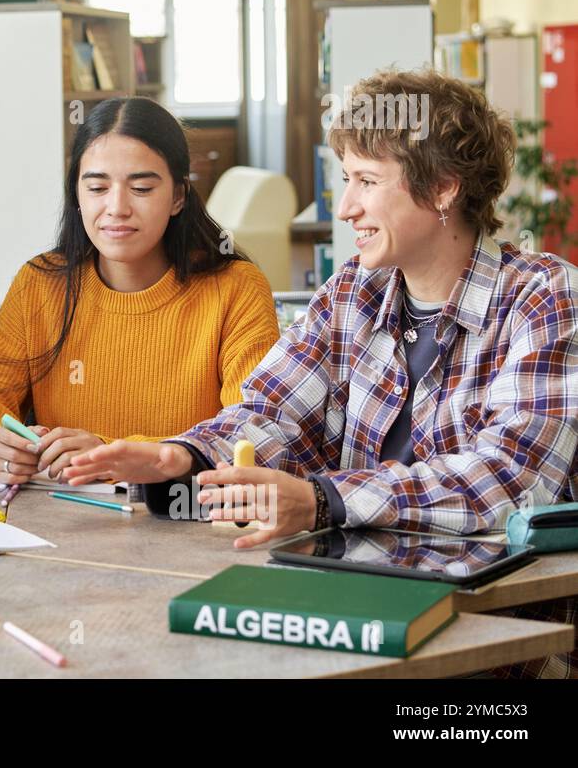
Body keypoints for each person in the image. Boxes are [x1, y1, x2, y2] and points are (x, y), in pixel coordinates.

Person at [64, 70, 578, 678]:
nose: (348, 206)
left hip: (493, 644)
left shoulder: (542, 297)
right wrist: (185, 456)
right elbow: (273, 412)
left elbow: (510, 483)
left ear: (442, 187)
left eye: (367, 181)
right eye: (346, 179)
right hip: (351, 606)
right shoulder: (352, 292)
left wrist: (324, 501)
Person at [0, 96, 279, 482]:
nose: (116, 207)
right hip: (62, 522)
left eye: (141, 188)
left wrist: (107, 454)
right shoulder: (39, 284)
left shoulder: (235, 288)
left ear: (177, 197)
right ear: (77, 195)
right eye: (97, 188)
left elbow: (254, 433)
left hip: (183, 524)